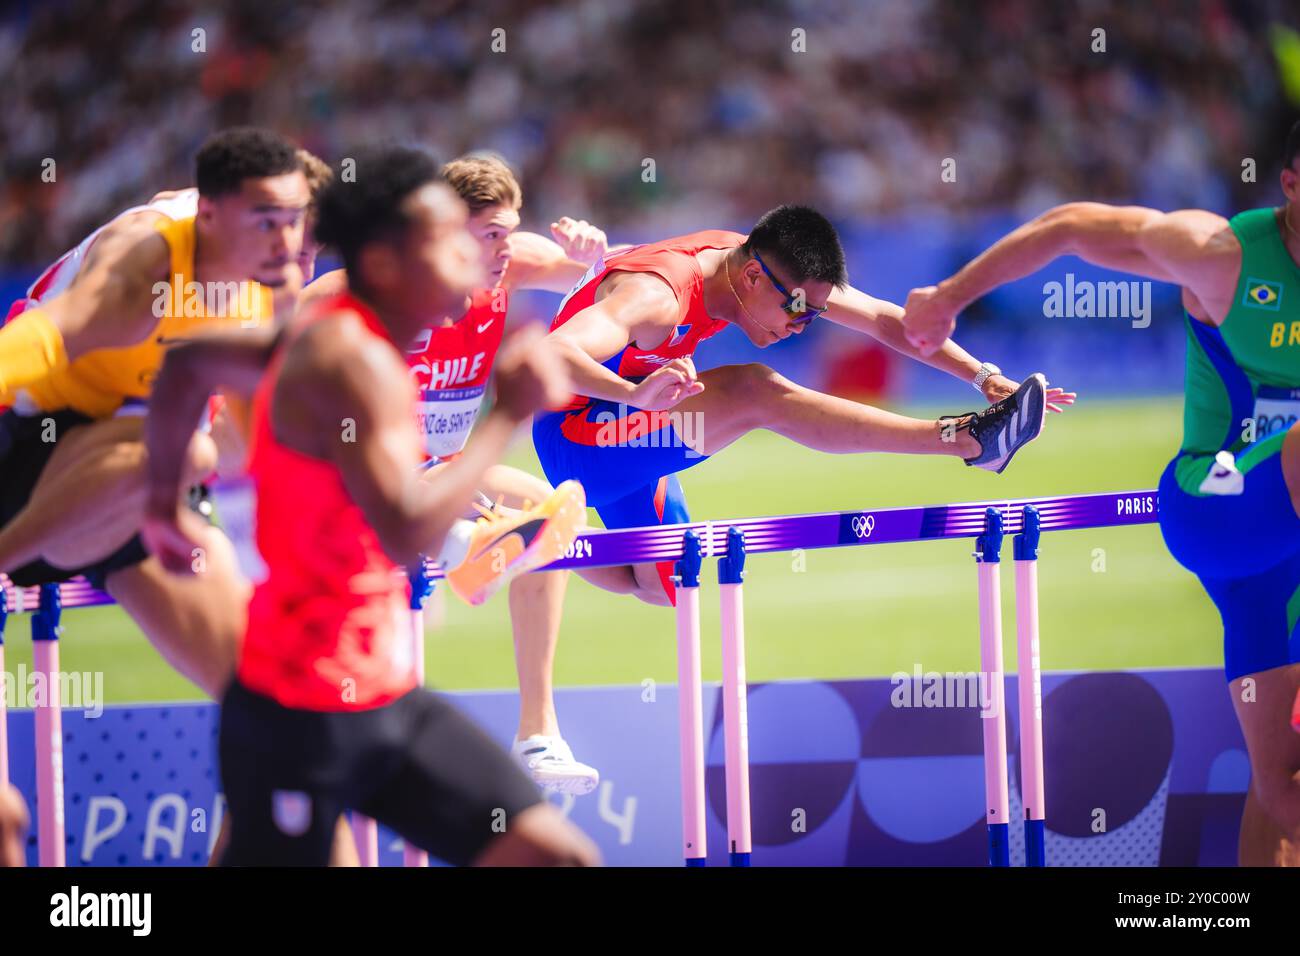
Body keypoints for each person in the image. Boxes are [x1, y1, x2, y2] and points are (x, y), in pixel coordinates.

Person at [143, 144, 598, 866]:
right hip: (297, 705)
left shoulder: (347, 342)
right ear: (386, 267)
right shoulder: (351, 364)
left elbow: (188, 366)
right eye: (449, 251)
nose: (473, 269)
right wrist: (508, 415)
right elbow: (406, 529)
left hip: (380, 692)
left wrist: (162, 504)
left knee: (553, 856)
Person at [901, 120, 1300, 866]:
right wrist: (950, 298)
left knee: (1280, 787)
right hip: (1216, 502)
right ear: (1290, 186)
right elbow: (1072, 226)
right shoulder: (1221, 256)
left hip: (1283, 564)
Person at [535, 206, 1073, 604]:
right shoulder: (656, 297)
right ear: (750, 278)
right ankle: (967, 441)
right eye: (797, 310)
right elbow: (553, 353)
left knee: (668, 585)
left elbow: (884, 320)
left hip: (632, 425)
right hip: (575, 435)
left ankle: (532, 530)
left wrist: (982, 374)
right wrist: (633, 395)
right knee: (754, 390)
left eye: (813, 314)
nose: (801, 325)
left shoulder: (760, 262)